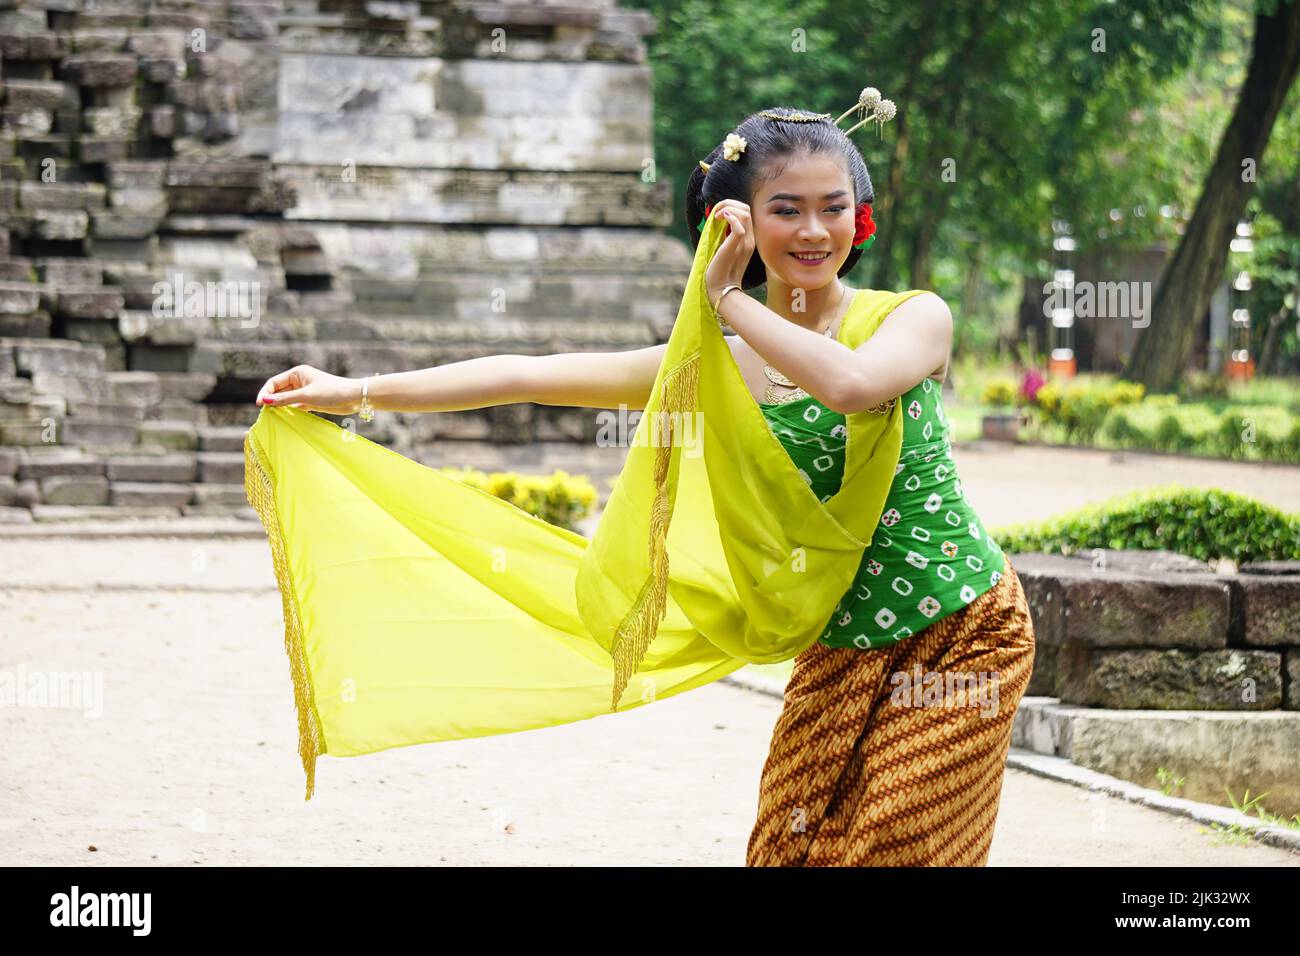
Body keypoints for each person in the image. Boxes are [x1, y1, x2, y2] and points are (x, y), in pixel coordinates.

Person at [249, 94, 1035, 866]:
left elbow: (853, 386)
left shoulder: (914, 318)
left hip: (964, 632)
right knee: (787, 852)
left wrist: (726, 298)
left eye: (833, 207)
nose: (813, 230)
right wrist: (353, 391)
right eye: (785, 209)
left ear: (859, 218)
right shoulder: (722, 366)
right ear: (738, 222)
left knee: (896, 845)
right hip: (843, 646)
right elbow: (533, 374)